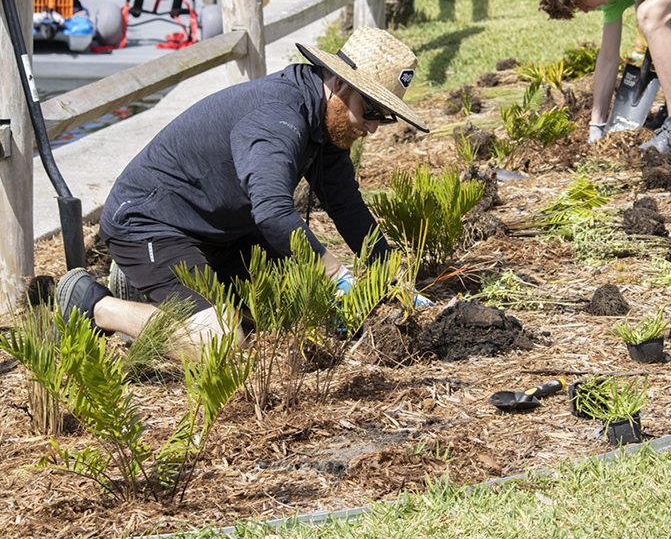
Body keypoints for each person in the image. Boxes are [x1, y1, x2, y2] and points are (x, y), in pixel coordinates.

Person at [56, 27, 431, 356]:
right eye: (370, 110)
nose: (373, 127)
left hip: (220, 229)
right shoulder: (276, 118)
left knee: (301, 310)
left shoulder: (325, 123)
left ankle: (145, 293)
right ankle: (95, 305)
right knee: (221, 341)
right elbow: (272, 212)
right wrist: (334, 275)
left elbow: (346, 206)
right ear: (339, 84)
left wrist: (393, 276)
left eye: (385, 115)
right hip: (152, 224)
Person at [534, 0, 671, 155]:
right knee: (650, 10)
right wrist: (597, 125)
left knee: (651, 14)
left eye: (580, 1)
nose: (585, 10)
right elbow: (608, 57)